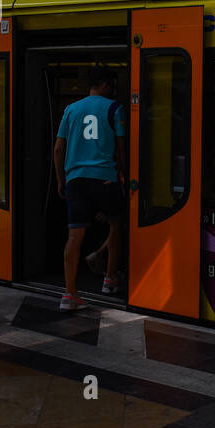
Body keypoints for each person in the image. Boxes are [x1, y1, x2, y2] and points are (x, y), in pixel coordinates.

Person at [54, 67, 126, 310]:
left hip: (76, 179)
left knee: (74, 236)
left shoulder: (71, 109)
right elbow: (121, 147)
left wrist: (62, 179)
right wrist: (123, 173)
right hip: (105, 178)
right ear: (105, 85)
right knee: (117, 224)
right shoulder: (114, 108)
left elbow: (58, 149)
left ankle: (69, 294)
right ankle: (110, 278)